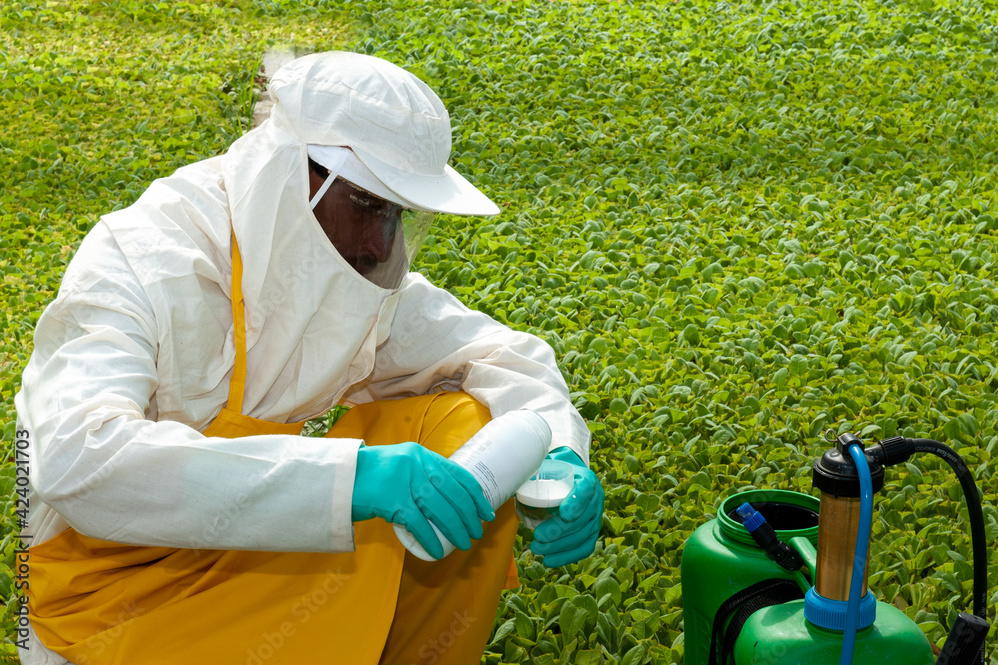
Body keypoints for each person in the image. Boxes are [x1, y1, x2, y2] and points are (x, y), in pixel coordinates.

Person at [14, 51, 603, 664]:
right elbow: (79, 458)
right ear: (296, 174)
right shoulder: (139, 258)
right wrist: (352, 480)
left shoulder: (331, 263)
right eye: (369, 206)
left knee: (473, 425)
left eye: (397, 213)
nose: (381, 244)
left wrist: (557, 453)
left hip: (253, 545)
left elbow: (499, 356)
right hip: (105, 590)